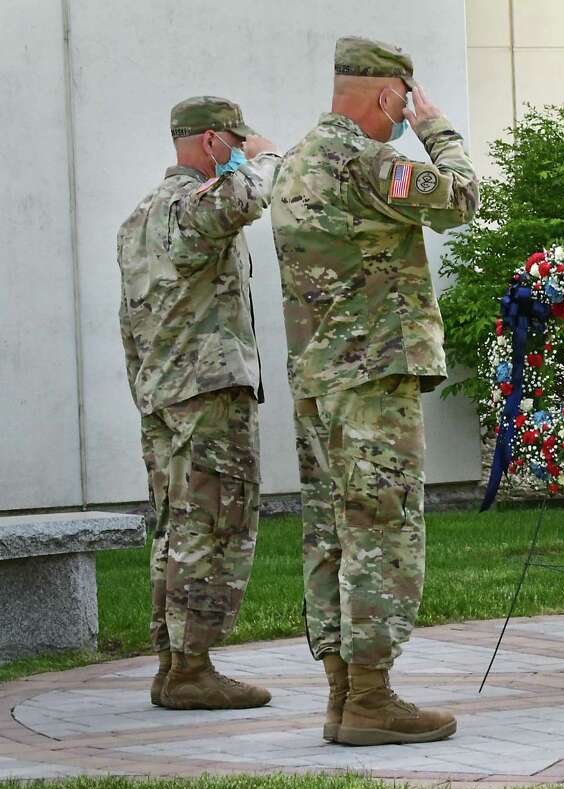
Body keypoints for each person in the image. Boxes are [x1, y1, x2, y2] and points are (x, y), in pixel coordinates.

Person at [271, 36, 479, 745]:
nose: (402, 115)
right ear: (389, 95)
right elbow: (461, 201)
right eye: (403, 102)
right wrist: (437, 130)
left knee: (330, 531)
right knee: (382, 530)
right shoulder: (371, 161)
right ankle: (371, 698)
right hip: (372, 372)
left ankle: (341, 695)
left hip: (318, 378)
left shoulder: (295, 162)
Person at [117, 96, 281, 708]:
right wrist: (267, 159)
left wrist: (145, 387)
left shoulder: (139, 216)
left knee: (176, 525)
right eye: (234, 141)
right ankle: (191, 668)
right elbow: (243, 199)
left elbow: (131, 319)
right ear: (211, 141)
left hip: (164, 392)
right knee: (212, 525)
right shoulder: (190, 204)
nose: (241, 148)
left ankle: (172, 664)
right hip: (206, 394)